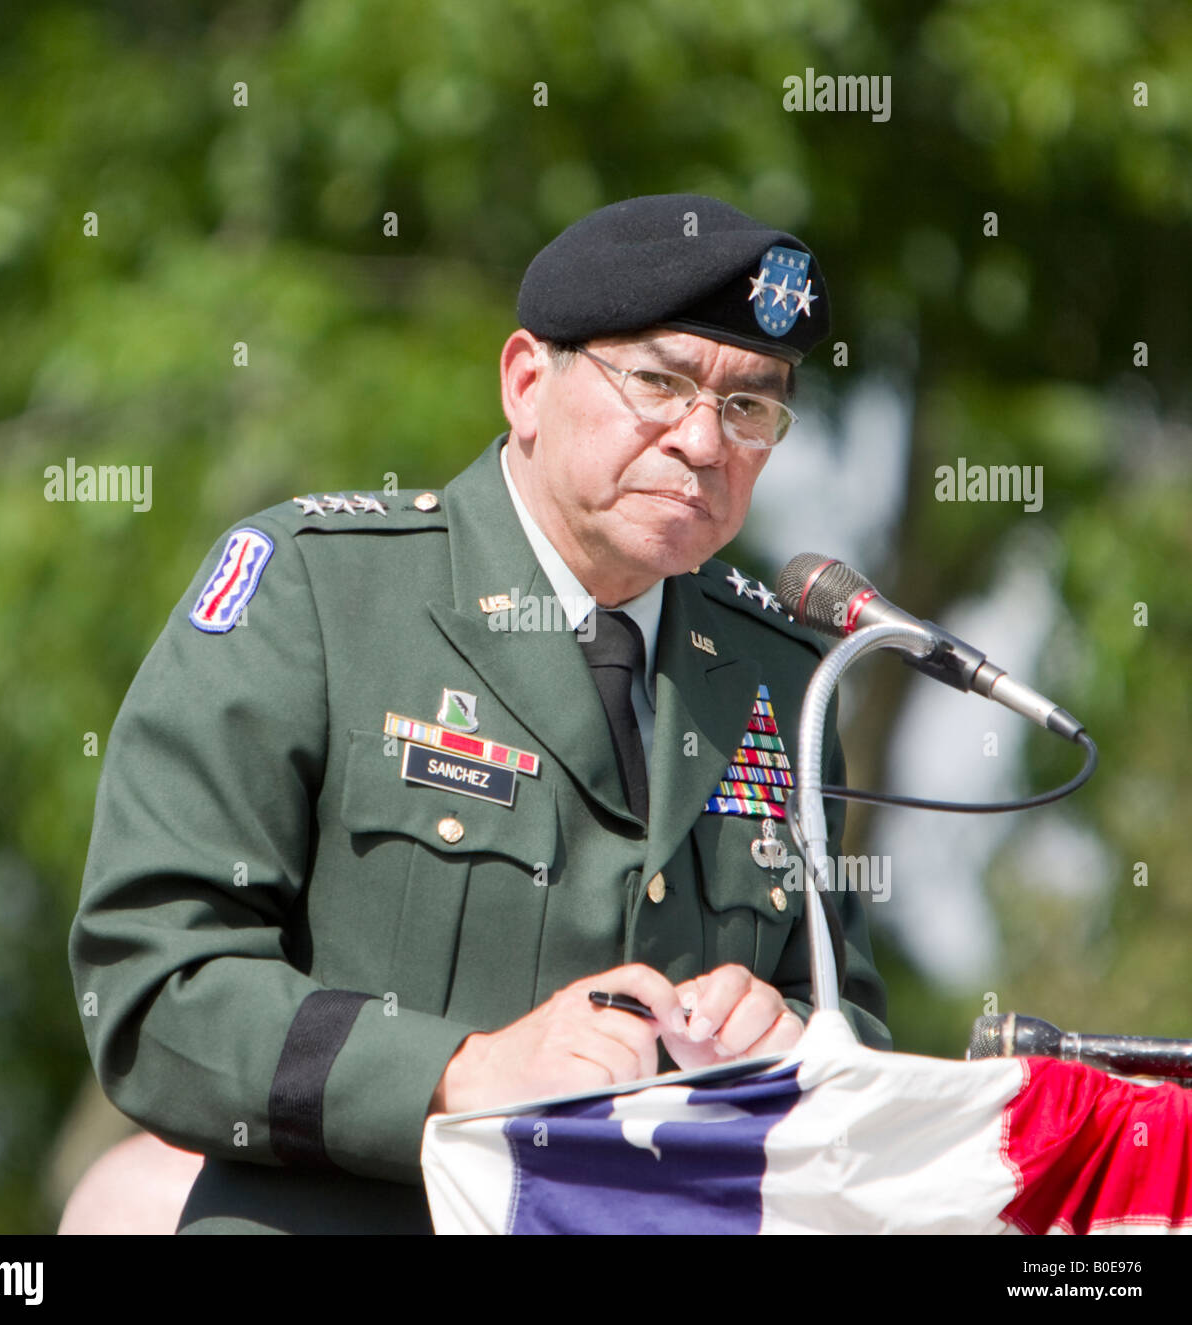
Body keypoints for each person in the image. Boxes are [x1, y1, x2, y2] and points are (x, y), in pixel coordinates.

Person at [69, 193, 890, 1235]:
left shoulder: (781, 675)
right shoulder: (317, 595)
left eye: (748, 408)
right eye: (658, 381)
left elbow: (848, 1014)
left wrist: (788, 1038)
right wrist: (462, 1068)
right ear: (526, 383)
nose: (701, 440)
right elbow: (154, 988)